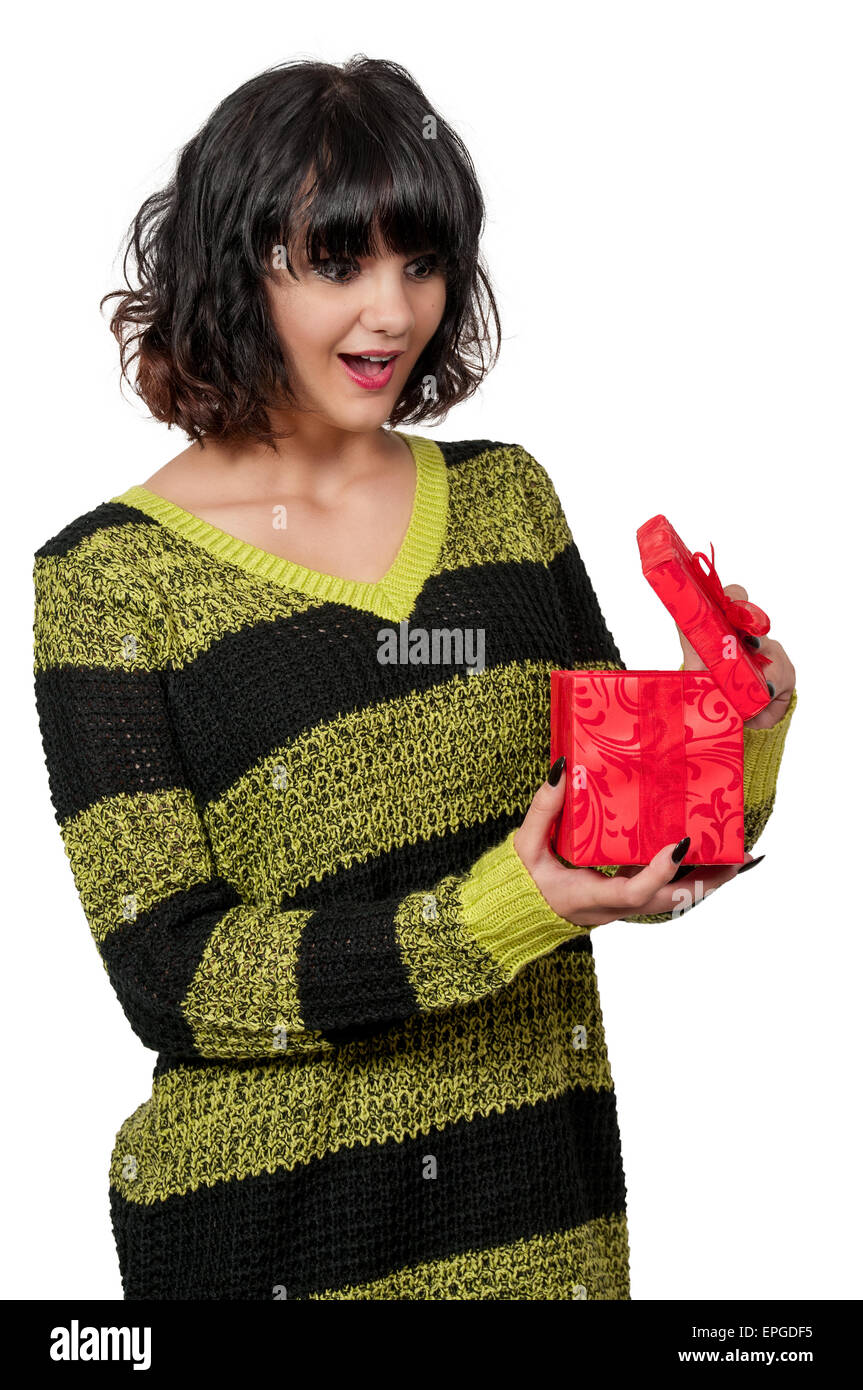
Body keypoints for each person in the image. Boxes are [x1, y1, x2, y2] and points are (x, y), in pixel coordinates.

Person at [32, 55, 796, 1300]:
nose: (392, 310)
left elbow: (614, 839)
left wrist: (732, 723)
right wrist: (493, 915)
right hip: (274, 1240)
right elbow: (167, 976)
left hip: (539, 1217)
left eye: (422, 260)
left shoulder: (505, 499)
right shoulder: (110, 581)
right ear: (235, 265)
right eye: (338, 263)